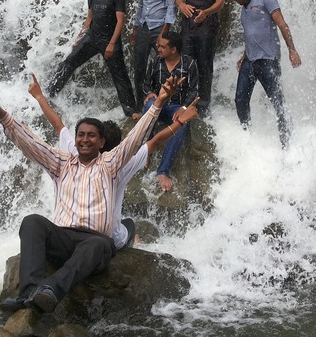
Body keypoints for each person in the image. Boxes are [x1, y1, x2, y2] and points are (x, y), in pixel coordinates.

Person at [0, 75, 184, 314]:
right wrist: (3, 115)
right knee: (32, 222)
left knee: (98, 244)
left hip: (95, 242)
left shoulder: (110, 164)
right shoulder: (61, 162)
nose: (84, 140)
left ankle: (50, 291)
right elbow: (31, 143)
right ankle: (29, 294)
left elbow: (136, 139)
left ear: (101, 141)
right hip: (62, 237)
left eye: (91, 135)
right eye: (80, 135)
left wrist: (159, 102)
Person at [27, 73, 199, 249]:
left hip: (68, 233)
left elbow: (58, 125)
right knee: (130, 224)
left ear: (100, 141)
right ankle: (132, 240)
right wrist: (180, 122)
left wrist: (39, 96)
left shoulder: (75, 153)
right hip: (109, 239)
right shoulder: (122, 162)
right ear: (118, 146)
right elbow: (154, 141)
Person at [47, 0, 137, 117]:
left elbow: (120, 21)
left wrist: (111, 44)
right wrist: (80, 37)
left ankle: (131, 111)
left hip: (109, 40)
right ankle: (50, 93)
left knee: (120, 75)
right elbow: (89, 18)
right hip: (92, 37)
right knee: (69, 62)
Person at [229, 0, 302, 148]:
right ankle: (248, 137)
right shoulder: (243, 10)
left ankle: (288, 143)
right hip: (250, 61)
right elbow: (252, 36)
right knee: (240, 99)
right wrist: (244, 56)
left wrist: (292, 50)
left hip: (268, 61)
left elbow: (282, 25)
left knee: (278, 102)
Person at [137, 31, 198, 192]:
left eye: (162, 47)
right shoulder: (156, 61)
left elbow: (194, 90)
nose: (158, 49)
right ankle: (145, 152)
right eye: (158, 46)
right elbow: (146, 83)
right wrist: (148, 92)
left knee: (182, 124)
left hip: (175, 107)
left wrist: (184, 109)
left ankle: (163, 171)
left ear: (173, 49)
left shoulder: (189, 64)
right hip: (158, 104)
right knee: (150, 104)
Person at [176, 0, 225, 115]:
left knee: (205, 67)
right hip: (188, 29)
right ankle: (184, 102)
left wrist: (206, 12)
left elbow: (220, 1)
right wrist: (181, 5)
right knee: (185, 65)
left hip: (207, 29)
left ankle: (203, 106)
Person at [130, 0, 176, 99]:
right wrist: (135, 28)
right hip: (143, 27)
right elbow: (141, 5)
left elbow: (171, 6)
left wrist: (164, 32)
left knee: (164, 64)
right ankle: (141, 101)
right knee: (139, 66)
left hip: (159, 28)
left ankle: (164, 99)